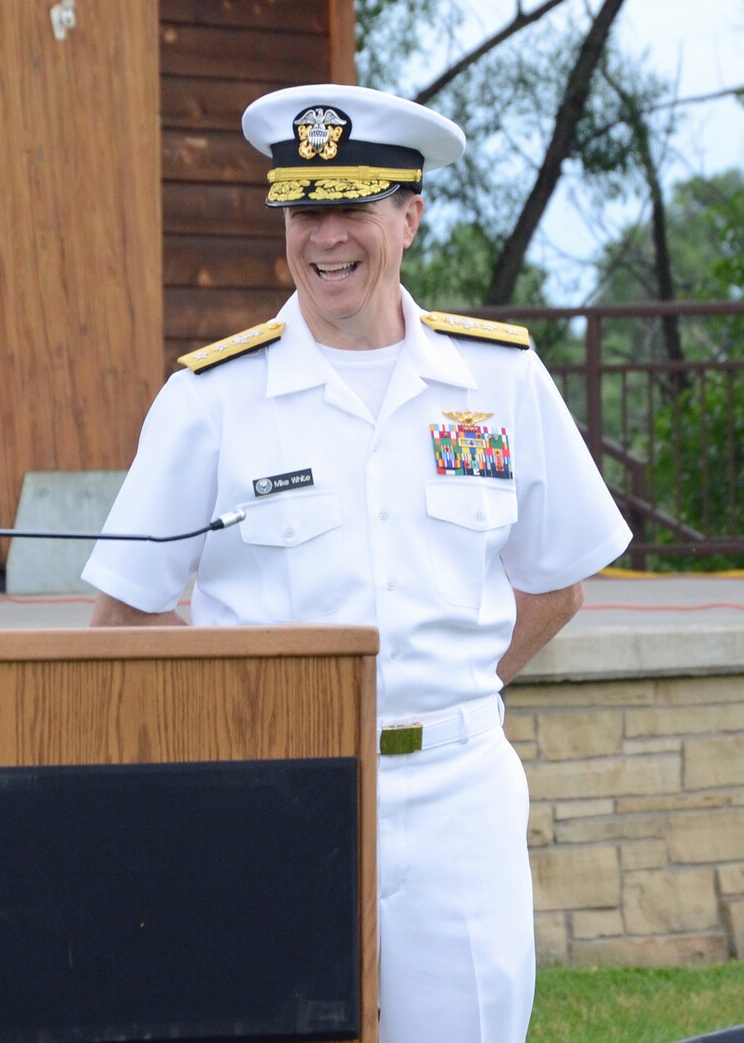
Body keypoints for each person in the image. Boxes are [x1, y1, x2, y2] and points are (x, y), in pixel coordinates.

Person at [80, 84, 631, 1043]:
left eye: (353, 207)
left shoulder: (498, 380)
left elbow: (557, 582)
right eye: (303, 210)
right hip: (272, 796)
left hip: (457, 801)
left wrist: (445, 691)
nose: (325, 237)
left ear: (410, 216)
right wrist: (266, 710)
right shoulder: (212, 398)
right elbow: (126, 613)